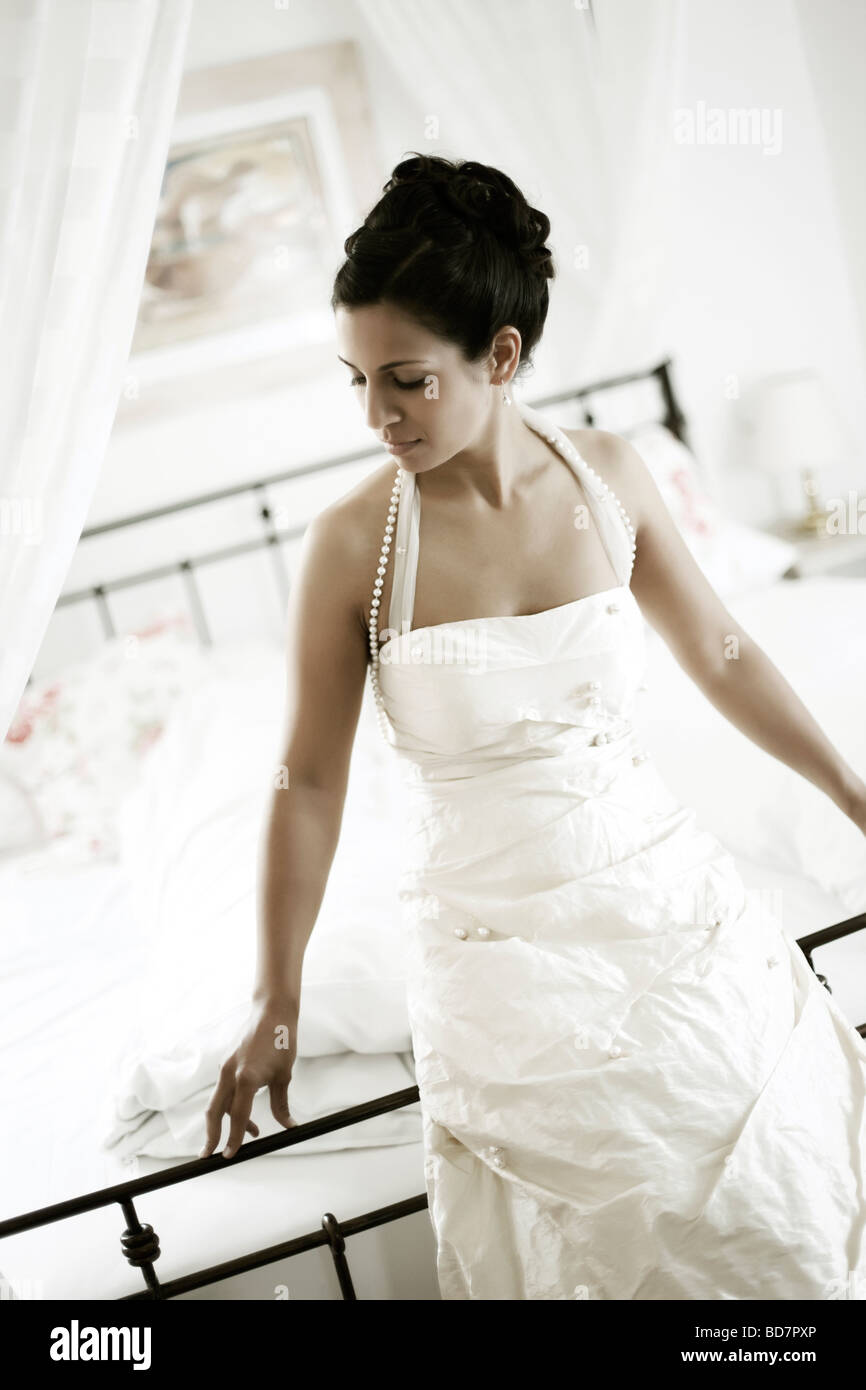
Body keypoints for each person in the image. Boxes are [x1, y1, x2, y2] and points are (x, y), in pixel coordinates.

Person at [200, 153, 866, 1300]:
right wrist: (276, 993)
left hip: (665, 905)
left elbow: (718, 649)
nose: (376, 416)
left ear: (499, 357)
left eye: (405, 380)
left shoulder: (609, 477)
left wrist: (856, 797)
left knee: (769, 1201)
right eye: (355, 380)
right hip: (494, 952)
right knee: (607, 1234)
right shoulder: (354, 546)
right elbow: (308, 780)